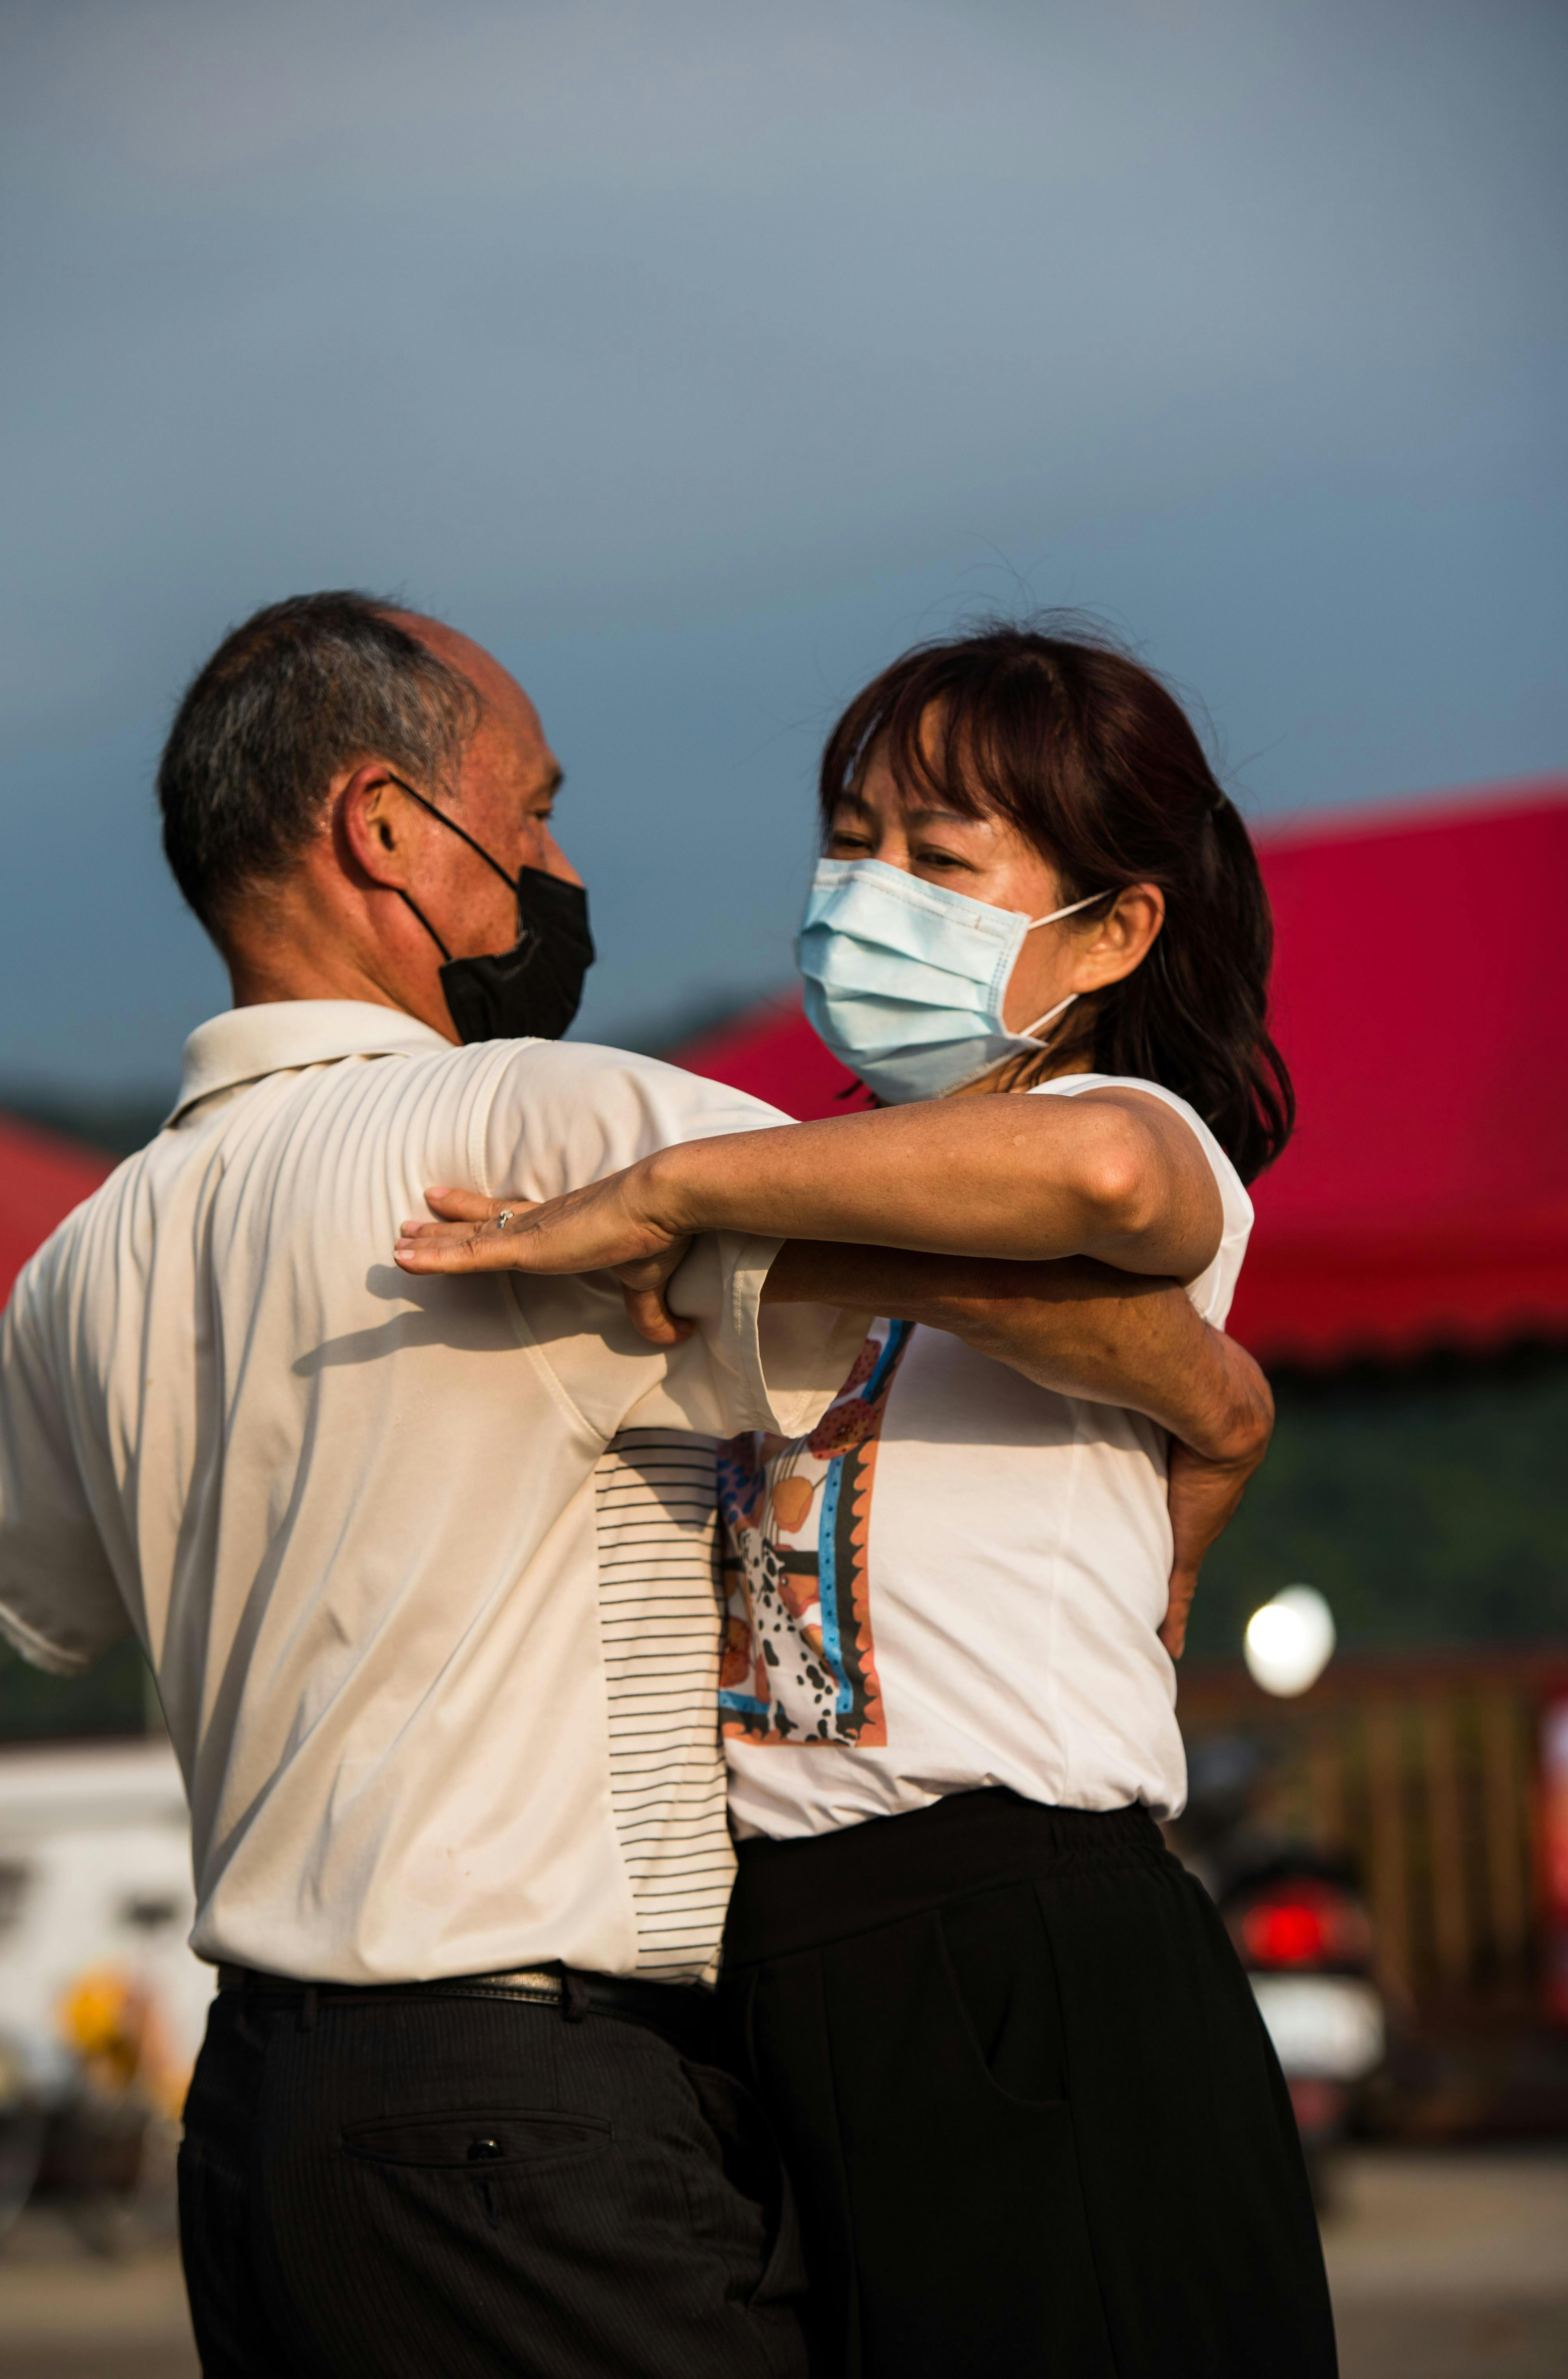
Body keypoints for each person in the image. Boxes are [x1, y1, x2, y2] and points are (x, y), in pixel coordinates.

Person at [0, 595, 1269, 2379]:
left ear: (1116, 925)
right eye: (529, 820)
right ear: (382, 830)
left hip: (271, 2114)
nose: (557, 866)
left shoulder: (79, 1257)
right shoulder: (540, 1125)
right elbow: (1018, 1249)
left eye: (932, 854)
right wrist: (1222, 1407)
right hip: (548, 2092)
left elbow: (49, 1598)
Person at [395, 622, 1338, 2378]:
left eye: (939, 853)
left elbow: (1108, 1172)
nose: (867, 887)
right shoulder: (813, 1186)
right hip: (793, 1953)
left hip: (1016, 1936)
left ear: (1111, 929)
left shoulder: (1127, 1126)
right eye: (849, 838)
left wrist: (674, 1187)